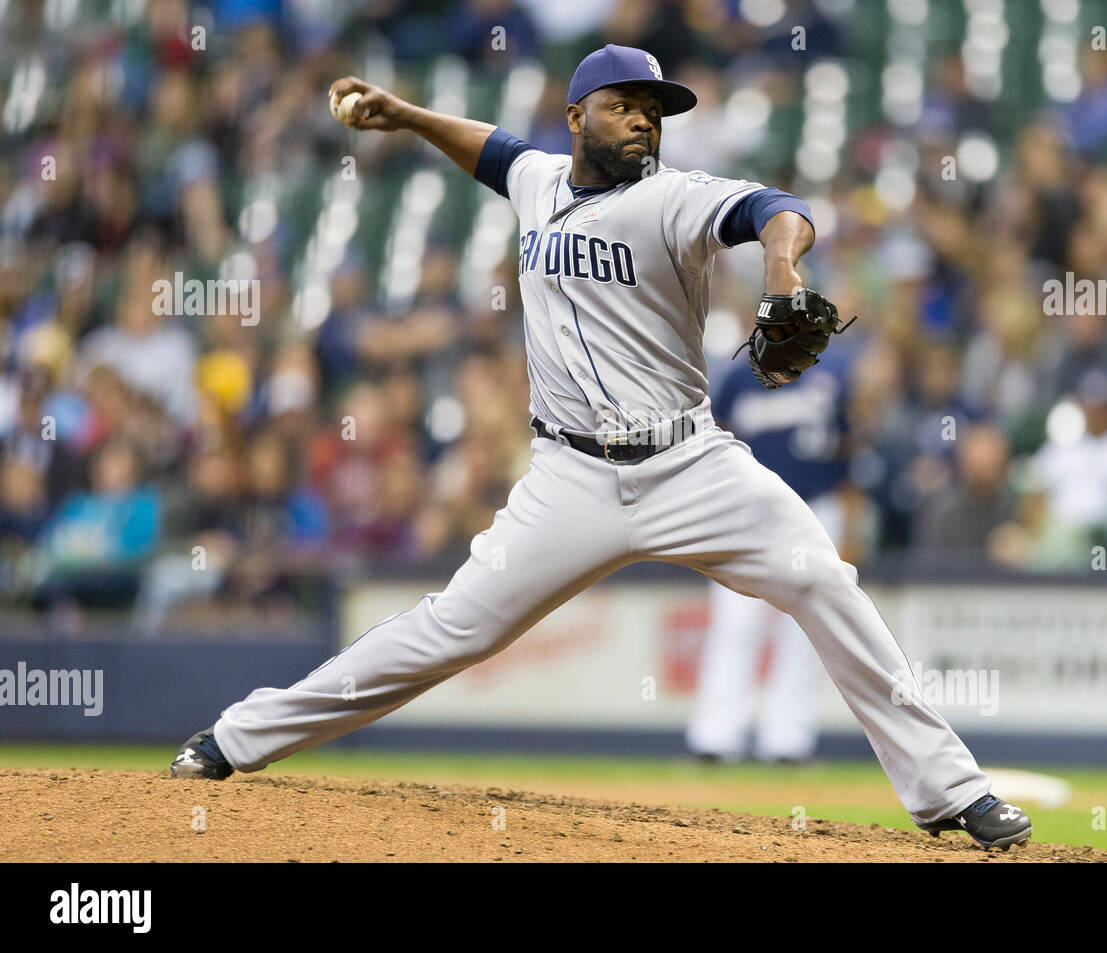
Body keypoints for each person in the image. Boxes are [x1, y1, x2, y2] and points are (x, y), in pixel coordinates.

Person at [168, 45, 1031, 850]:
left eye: (655, 111)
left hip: (690, 463)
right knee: (452, 629)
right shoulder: (540, 178)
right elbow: (495, 150)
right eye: (625, 107)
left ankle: (950, 788)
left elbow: (776, 209)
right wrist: (408, 114)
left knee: (821, 578)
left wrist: (783, 269)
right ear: (577, 115)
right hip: (569, 477)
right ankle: (237, 737)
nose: (644, 122)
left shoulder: (670, 198)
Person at [686, 342, 857, 764]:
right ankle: (716, 736)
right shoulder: (741, 373)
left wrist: (850, 523)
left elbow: (849, 453)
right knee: (735, 622)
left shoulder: (832, 372)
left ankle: (787, 741)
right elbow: (713, 442)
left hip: (817, 507)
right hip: (750, 510)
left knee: (804, 630)